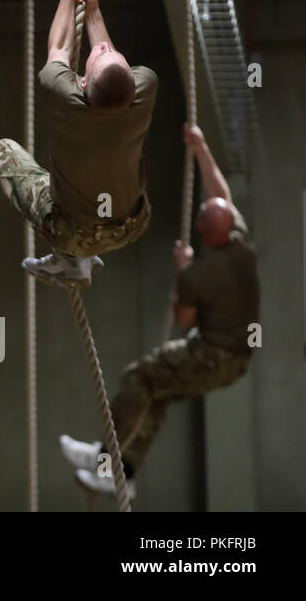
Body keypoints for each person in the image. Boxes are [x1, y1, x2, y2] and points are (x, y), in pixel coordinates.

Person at [59, 124, 259, 497]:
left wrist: (183, 273)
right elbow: (222, 195)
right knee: (156, 393)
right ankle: (124, 470)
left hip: (214, 355)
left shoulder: (197, 276)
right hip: (234, 359)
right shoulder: (241, 247)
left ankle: (106, 462)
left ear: (203, 232)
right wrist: (200, 148)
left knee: (138, 378)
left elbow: (184, 319)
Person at [0, 0, 157, 284]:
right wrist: (93, 13)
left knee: (1, 152)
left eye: (100, 55)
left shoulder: (65, 96)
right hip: (131, 224)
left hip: (75, 232)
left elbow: (60, 50)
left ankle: (70, 257)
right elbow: (108, 74)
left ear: (80, 83)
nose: (104, 47)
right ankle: (75, 261)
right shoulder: (144, 88)